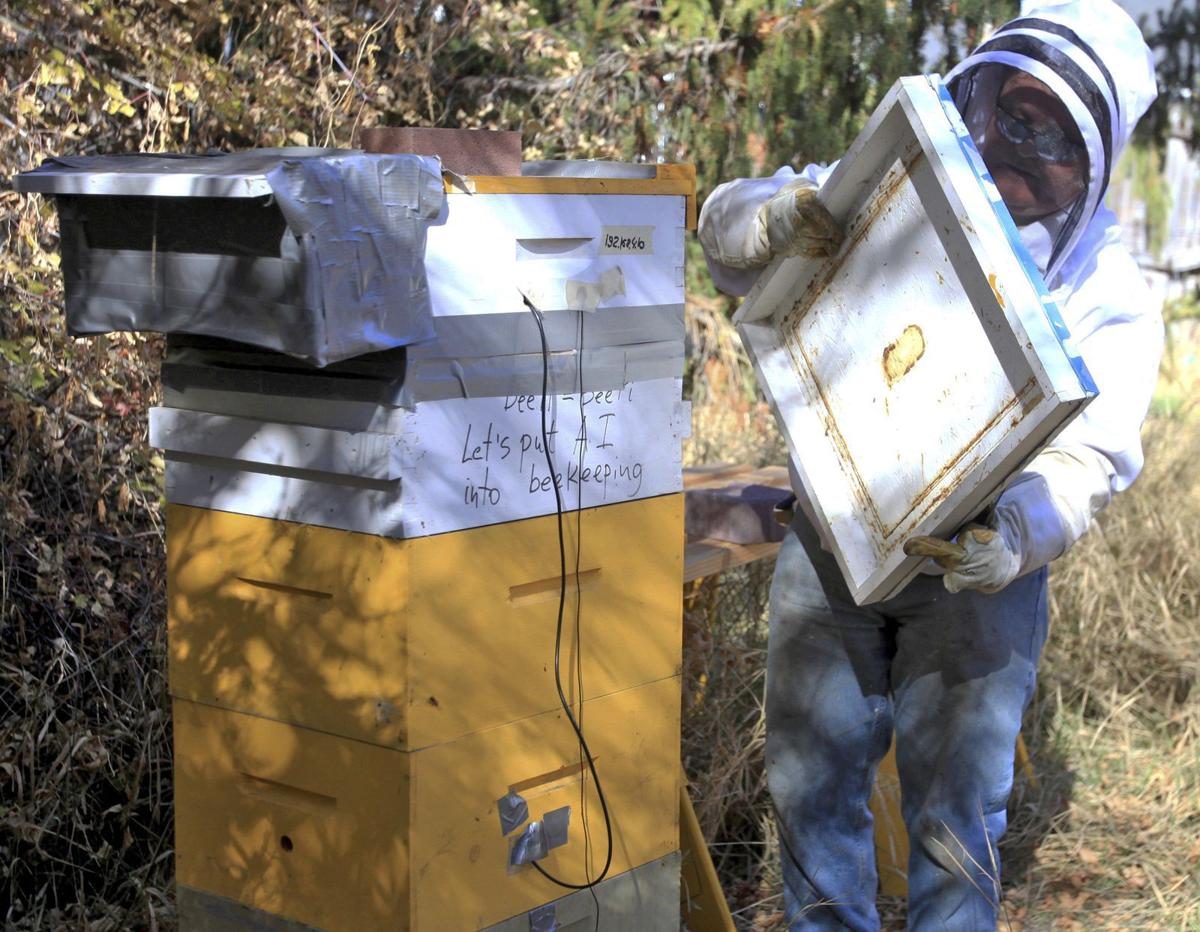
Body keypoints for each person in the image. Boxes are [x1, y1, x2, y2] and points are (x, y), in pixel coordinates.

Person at [697, 2, 1161, 929]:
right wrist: (772, 221)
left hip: (974, 575)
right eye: (1014, 115)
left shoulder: (1110, 288)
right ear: (980, 95)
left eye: (1053, 136)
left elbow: (1090, 456)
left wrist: (1019, 533)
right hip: (831, 534)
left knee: (956, 817)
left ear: (1093, 159)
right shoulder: (899, 187)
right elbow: (726, 228)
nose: (1020, 149)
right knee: (809, 784)